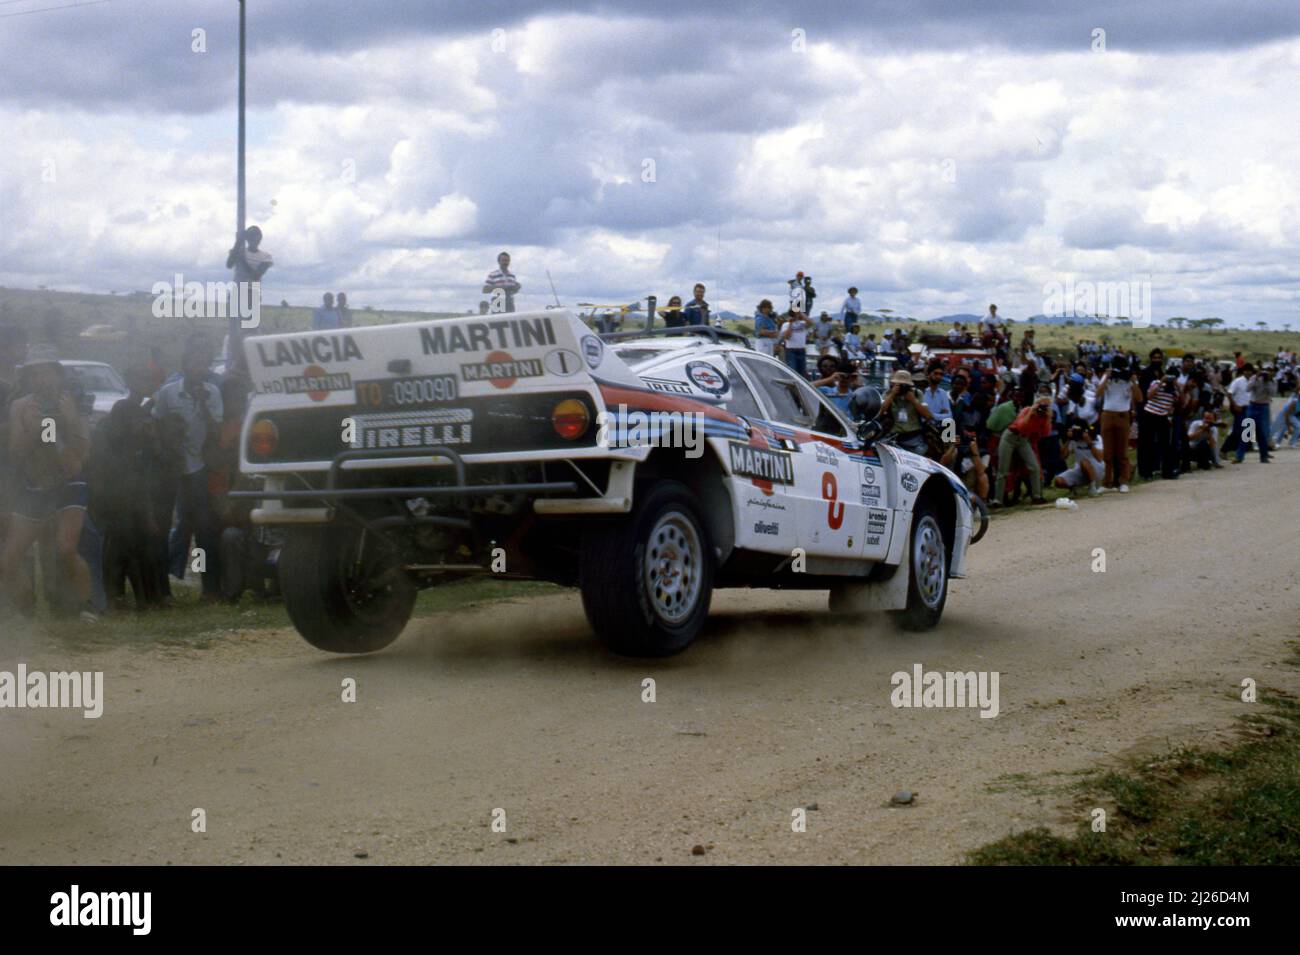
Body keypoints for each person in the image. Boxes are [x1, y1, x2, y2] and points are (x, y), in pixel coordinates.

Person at [1, 347, 95, 622]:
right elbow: (15, 454)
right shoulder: (20, 407)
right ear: (27, 380)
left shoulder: (73, 404)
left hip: (68, 483)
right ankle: (25, 609)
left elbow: (77, 463)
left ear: (58, 376)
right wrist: (35, 430)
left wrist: (64, 423)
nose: (41, 379)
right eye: (35, 374)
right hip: (36, 486)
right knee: (8, 559)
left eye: (46, 372)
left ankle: (84, 607)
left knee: (66, 548)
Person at [153, 335, 223, 601]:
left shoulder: (213, 392)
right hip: (171, 470)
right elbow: (156, 425)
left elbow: (216, 431)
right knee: (166, 524)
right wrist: (165, 453)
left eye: (204, 363)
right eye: (194, 362)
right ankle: (163, 588)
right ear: (185, 365)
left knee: (204, 530)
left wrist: (204, 403)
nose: (199, 368)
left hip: (198, 469)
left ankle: (209, 587)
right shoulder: (169, 392)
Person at [990, 390, 1053, 508]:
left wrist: (1048, 417)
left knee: (1034, 467)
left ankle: (1037, 496)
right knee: (1003, 469)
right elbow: (1021, 425)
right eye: (1041, 405)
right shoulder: (1026, 410)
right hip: (1010, 436)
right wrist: (1031, 412)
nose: (1042, 408)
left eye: (1046, 406)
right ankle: (997, 500)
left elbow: (1045, 433)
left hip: (1023, 440)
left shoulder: (1044, 417)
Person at [1095, 356, 1141, 493]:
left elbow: (1139, 398)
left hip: (1123, 414)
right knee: (1107, 451)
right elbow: (1098, 393)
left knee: (1122, 451)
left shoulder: (1129, 379)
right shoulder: (1107, 377)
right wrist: (1107, 376)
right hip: (1107, 414)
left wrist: (1133, 381)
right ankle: (1107, 482)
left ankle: (1123, 481)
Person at [880, 370, 932, 455]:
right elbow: (881, 412)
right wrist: (892, 395)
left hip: (913, 438)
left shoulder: (917, 393)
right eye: (899, 385)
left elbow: (928, 416)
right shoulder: (888, 393)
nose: (902, 387)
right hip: (893, 437)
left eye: (905, 385)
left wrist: (914, 401)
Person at [1236, 365, 1275, 463]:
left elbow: (1273, 393)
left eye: (1269, 371)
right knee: (1247, 431)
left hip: (1264, 407)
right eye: (1265, 370)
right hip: (1252, 406)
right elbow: (1247, 389)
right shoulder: (1255, 378)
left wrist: (1268, 381)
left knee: (1263, 433)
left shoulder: (1273, 381)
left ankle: (1264, 456)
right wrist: (1256, 378)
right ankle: (1239, 456)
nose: (1266, 373)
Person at [1054, 423, 1105, 496]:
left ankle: (1094, 487)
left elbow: (1099, 458)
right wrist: (1068, 439)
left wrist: (1089, 442)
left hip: (1097, 469)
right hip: (1080, 469)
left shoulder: (1096, 438)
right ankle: (1076, 488)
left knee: (1084, 462)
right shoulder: (1073, 440)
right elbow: (1063, 456)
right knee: (1058, 481)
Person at [780, 310, 811, 376]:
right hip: (791, 351)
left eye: (795, 314)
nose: (794, 316)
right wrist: (790, 324)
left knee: (802, 373)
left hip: (801, 350)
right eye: (793, 314)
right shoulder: (785, 325)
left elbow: (811, 323)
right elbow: (786, 337)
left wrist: (801, 313)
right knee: (792, 372)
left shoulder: (803, 323)